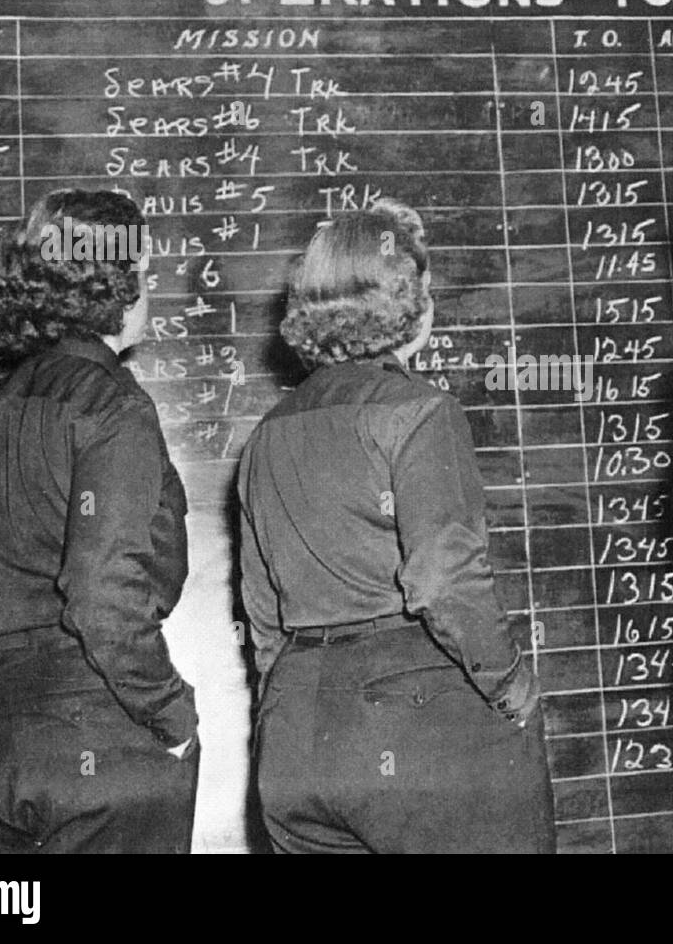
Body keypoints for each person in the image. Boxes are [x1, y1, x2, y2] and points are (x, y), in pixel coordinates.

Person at [239, 199, 555, 854]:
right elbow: (444, 580)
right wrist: (512, 686)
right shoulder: (419, 411)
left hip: (296, 736)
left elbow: (263, 616)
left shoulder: (265, 437)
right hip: (418, 721)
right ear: (410, 304)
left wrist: (291, 702)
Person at [0, 189, 199, 853]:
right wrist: (170, 717)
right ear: (114, 284)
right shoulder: (114, 407)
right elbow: (103, 597)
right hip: (93, 729)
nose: (148, 291)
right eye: (143, 274)